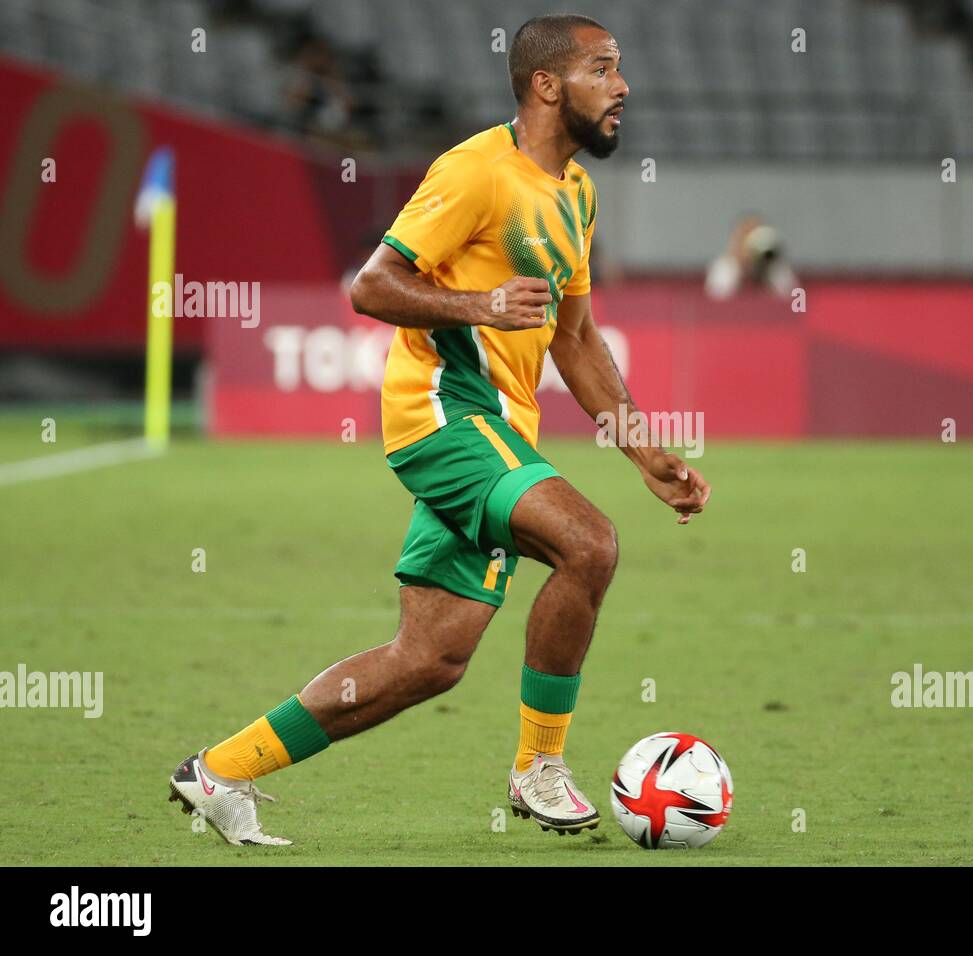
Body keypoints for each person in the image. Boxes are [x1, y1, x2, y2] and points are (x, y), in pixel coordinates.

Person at [168, 14, 711, 845]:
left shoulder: (577, 194)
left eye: (621, 69)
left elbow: (574, 337)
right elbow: (371, 285)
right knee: (590, 545)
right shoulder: (475, 171)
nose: (623, 86)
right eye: (603, 69)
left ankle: (218, 771)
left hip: (499, 433)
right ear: (546, 84)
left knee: (430, 660)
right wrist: (478, 306)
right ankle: (539, 767)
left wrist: (643, 451)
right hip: (447, 413)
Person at [704, 214, 798, 299]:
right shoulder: (723, 266)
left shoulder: (775, 267)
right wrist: (741, 265)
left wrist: (766, 269)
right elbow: (716, 298)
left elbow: (792, 298)